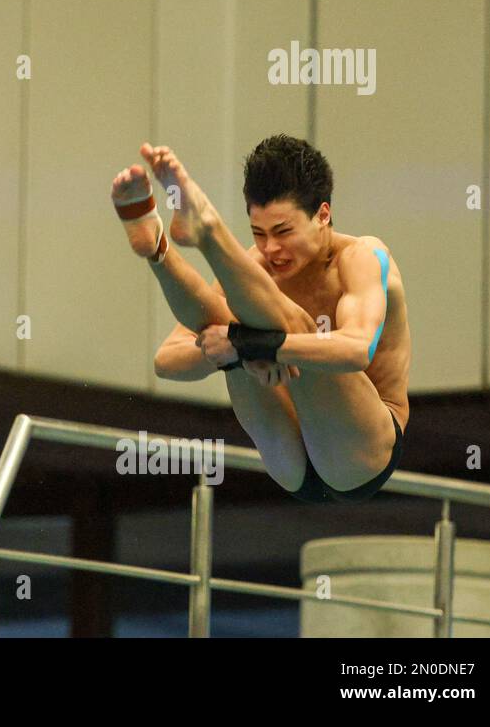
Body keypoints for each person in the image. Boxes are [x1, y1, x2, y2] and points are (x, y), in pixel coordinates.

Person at [110, 135, 410, 503]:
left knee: (288, 328)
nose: (271, 249)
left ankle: (208, 231)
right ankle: (158, 250)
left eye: (284, 232)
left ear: (323, 215)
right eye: (258, 234)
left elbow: (356, 350)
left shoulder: (362, 257)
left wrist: (257, 345)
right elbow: (166, 361)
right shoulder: (255, 269)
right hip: (288, 455)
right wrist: (235, 349)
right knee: (225, 326)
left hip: (360, 453)